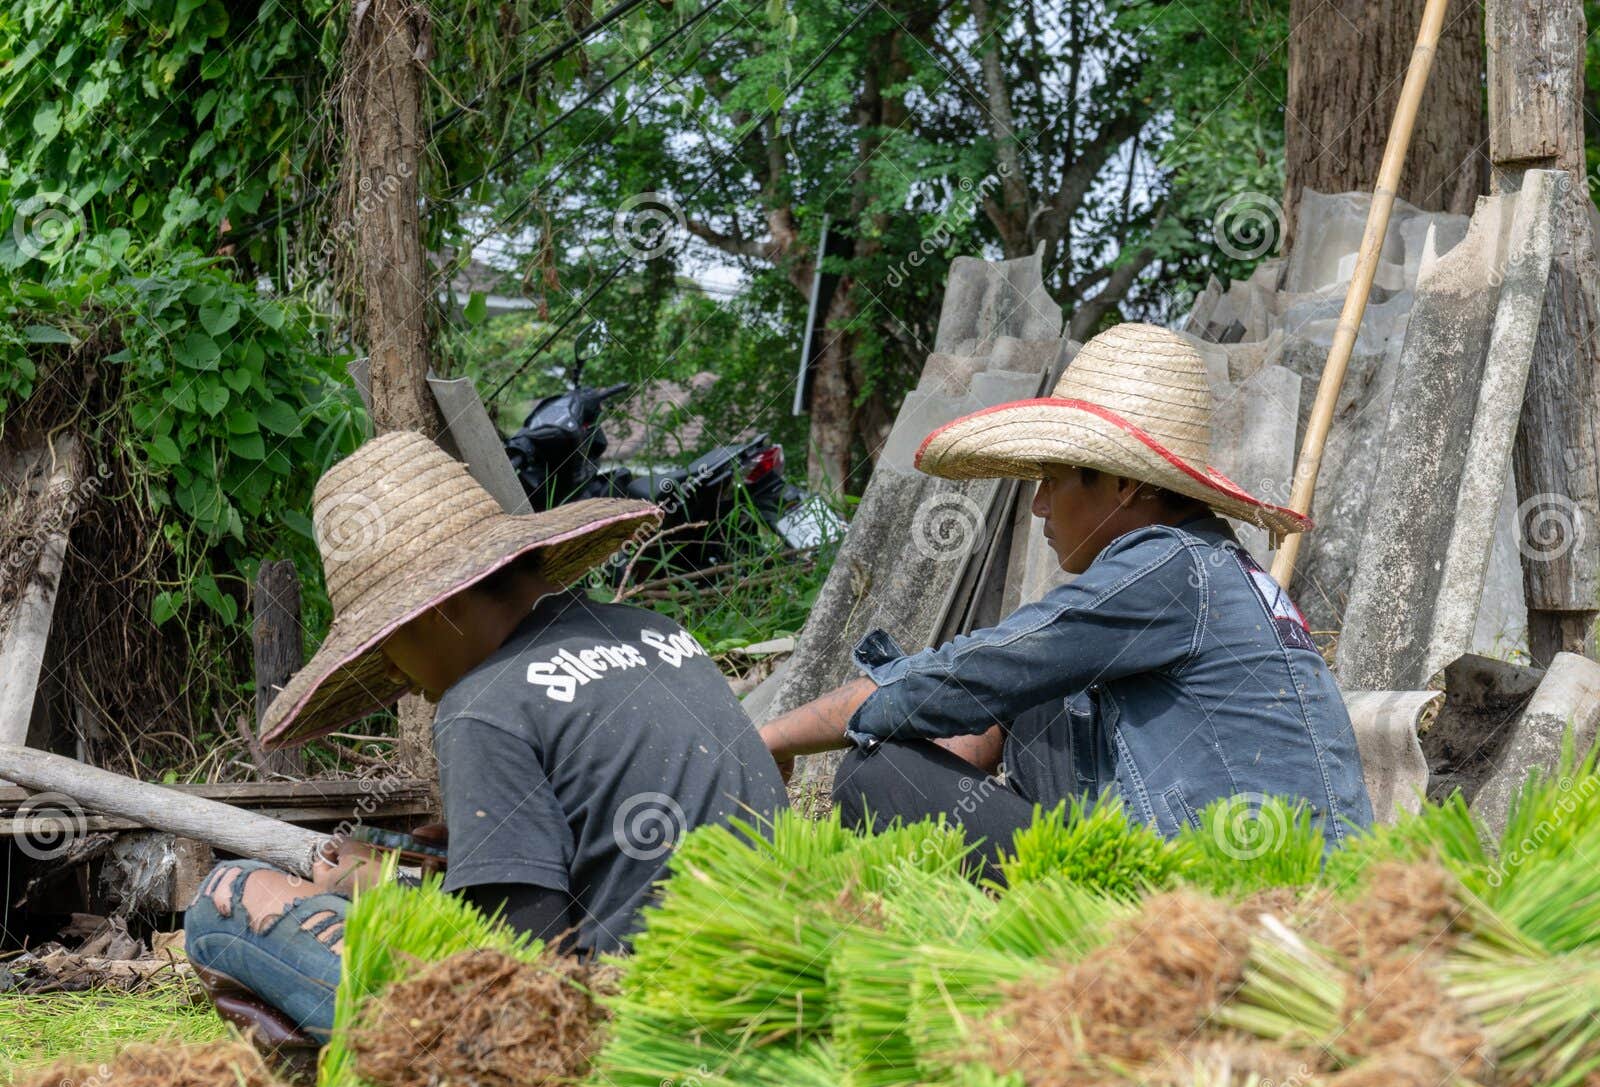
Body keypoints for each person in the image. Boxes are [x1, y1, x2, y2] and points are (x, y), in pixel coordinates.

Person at [186, 431, 787, 1045]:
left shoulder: (481, 706)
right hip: (769, 981)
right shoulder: (653, 631)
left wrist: (379, 896)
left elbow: (522, 963)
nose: (393, 674)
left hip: (622, 1025)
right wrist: (445, 860)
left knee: (227, 900)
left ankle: (398, 1074)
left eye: (383, 645)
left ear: (428, 613)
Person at [760, 322, 1372, 871]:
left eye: (1052, 480)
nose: (1039, 506)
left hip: (1230, 892)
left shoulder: (1168, 568)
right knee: (1032, 688)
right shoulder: (1207, 566)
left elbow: (960, 676)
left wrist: (774, 738)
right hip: (1252, 863)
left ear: (1126, 485)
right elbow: (1006, 677)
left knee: (880, 775)